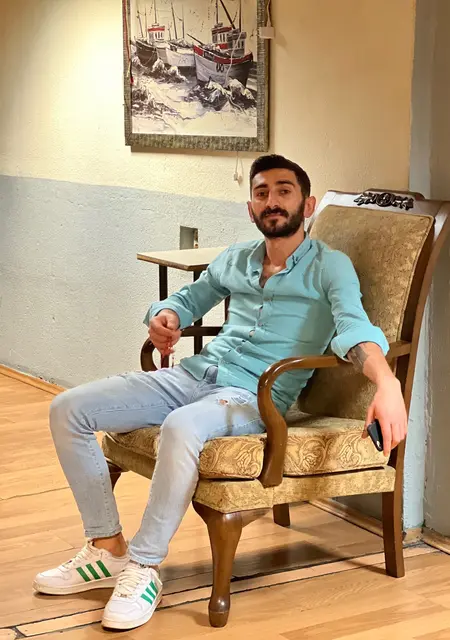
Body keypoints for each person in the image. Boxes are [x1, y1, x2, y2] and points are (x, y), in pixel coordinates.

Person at [34, 154, 408, 630]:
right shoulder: (236, 258)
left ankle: (144, 566)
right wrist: (166, 316)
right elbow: (189, 299)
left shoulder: (330, 267)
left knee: (182, 426)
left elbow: (354, 329)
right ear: (251, 208)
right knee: (68, 408)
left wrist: (387, 382)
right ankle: (107, 547)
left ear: (308, 204)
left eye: (284, 190)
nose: (272, 201)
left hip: (253, 396)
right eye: (261, 193)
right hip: (193, 376)